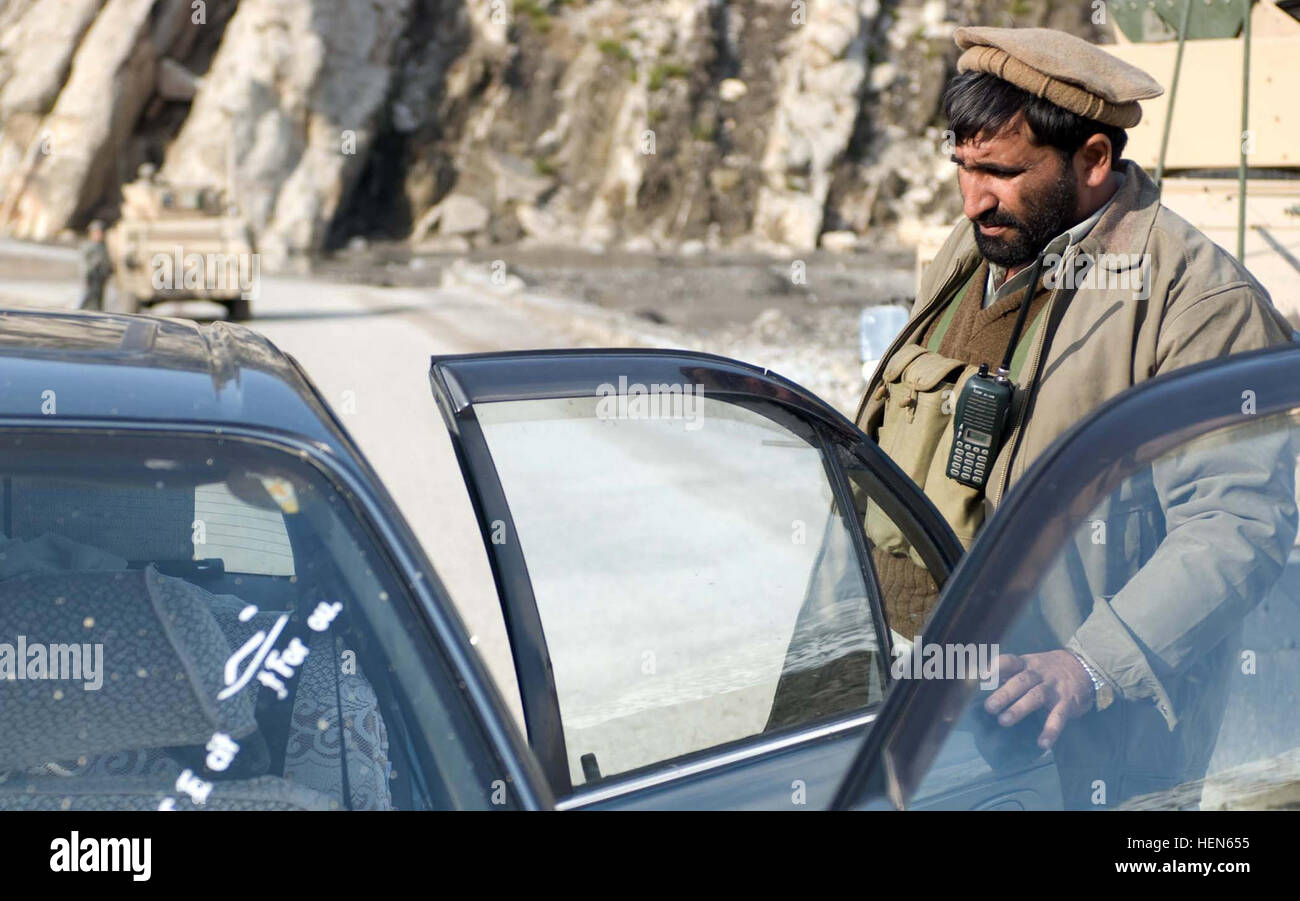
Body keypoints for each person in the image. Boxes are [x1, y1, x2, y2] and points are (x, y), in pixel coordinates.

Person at [855, 26, 1298, 806]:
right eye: (962, 168)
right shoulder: (976, 245)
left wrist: (1091, 664)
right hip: (924, 721)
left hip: (1074, 749)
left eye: (1000, 172)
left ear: (1094, 160)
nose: (972, 198)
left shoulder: (1198, 300)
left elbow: (1239, 521)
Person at [78, 220, 112, 311]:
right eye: (97, 233)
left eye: (100, 233)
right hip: (91, 276)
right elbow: (84, 262)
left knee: (98, 300)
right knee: (87, 297)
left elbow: (107, 262)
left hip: (100, 278)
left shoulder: (103, 246)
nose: (99, 235)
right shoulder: (88, 246)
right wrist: (87, 273)